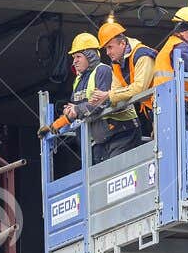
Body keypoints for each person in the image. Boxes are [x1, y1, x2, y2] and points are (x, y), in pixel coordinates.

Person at [42, 32, 114, 164]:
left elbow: (101, 103)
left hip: (108, 139)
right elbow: (75, 109)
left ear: (90, 56)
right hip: (90, 141)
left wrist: (76, 109)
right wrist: (58, 123)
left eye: (78, 56)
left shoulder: (102, 71)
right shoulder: (78, 80)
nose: (74, 61)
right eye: (74, 57)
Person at [87, 19, 157, 153]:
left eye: (110, 47)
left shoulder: (142, 55)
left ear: (123, 43)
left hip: (168, 105)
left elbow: (140, 88)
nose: (107, 52)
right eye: (105, 48)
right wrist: (102, 99)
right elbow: (116, 92)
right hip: (153, 110)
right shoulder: (116, 64)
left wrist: (108, 96)